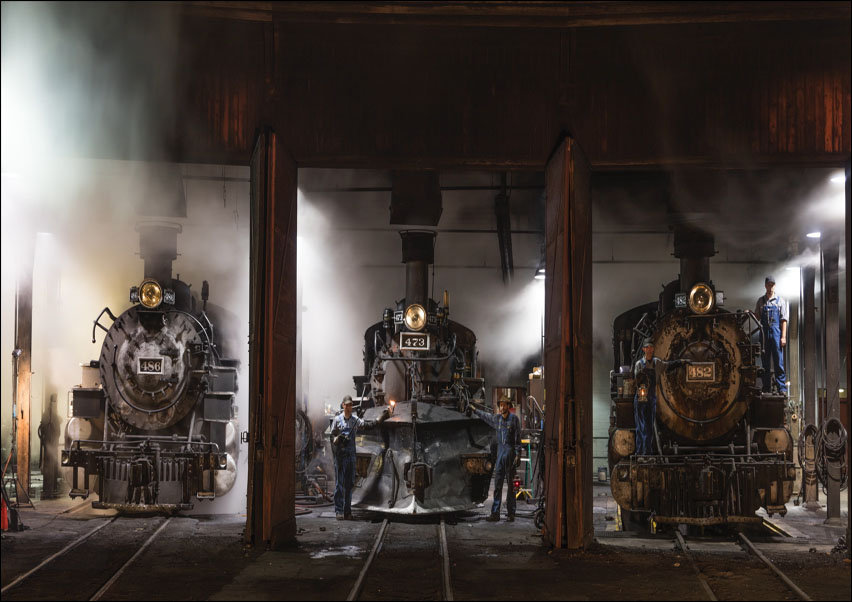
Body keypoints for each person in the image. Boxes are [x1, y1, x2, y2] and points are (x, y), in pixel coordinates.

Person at [330, 395, 389, 520]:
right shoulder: (337, 420)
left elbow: (368, 425)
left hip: (351, 456)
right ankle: (339, 511)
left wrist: (381, 418)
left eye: (351, 405)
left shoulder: (355, 420)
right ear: (343, 405)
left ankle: (347, 511)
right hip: (340, 456)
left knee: (349, 484)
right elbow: (332, 437)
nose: (349, 407)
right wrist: (338, 439)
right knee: (339, 484)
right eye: (347, 405)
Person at [467, 397, 521, 522]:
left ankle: (511, 513)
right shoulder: (497, 419)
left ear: (509, 406)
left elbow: (518, 438)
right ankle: (495, 513)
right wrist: (474, 409)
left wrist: (518, 454)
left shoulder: (514, 420)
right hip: (500, 455)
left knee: (512, 486)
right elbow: (485, 416)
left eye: (504, 405)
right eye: (500, 405)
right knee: (497, 485)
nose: (502, 407)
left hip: (510, 454)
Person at [633, 338, 690, 456]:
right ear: (644, 349)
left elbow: (669, 365)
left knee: (649, 428)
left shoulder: (657, 363)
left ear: (653, 349)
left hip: (651, 398)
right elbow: (636, 380)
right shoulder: (639, 364)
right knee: (641, 427)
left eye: (651, 347)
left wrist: (682, 361)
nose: (649, 350)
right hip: (640, 398)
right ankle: (640, 453)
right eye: (647, 347)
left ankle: (647, 453)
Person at [755, 275, 789, 395]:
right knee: (765, 362)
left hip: (776, 333)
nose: (770, 287)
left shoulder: (780, 301)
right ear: (765, 285)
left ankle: (782, 388)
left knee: (778, 361)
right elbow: (757, 317)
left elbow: (783, 320)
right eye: (768, 284)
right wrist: (750, 313)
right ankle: (766, 387)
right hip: (764, 333)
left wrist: (783, 337)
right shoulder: (761, 301)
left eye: (772, 285)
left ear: (774, 286)